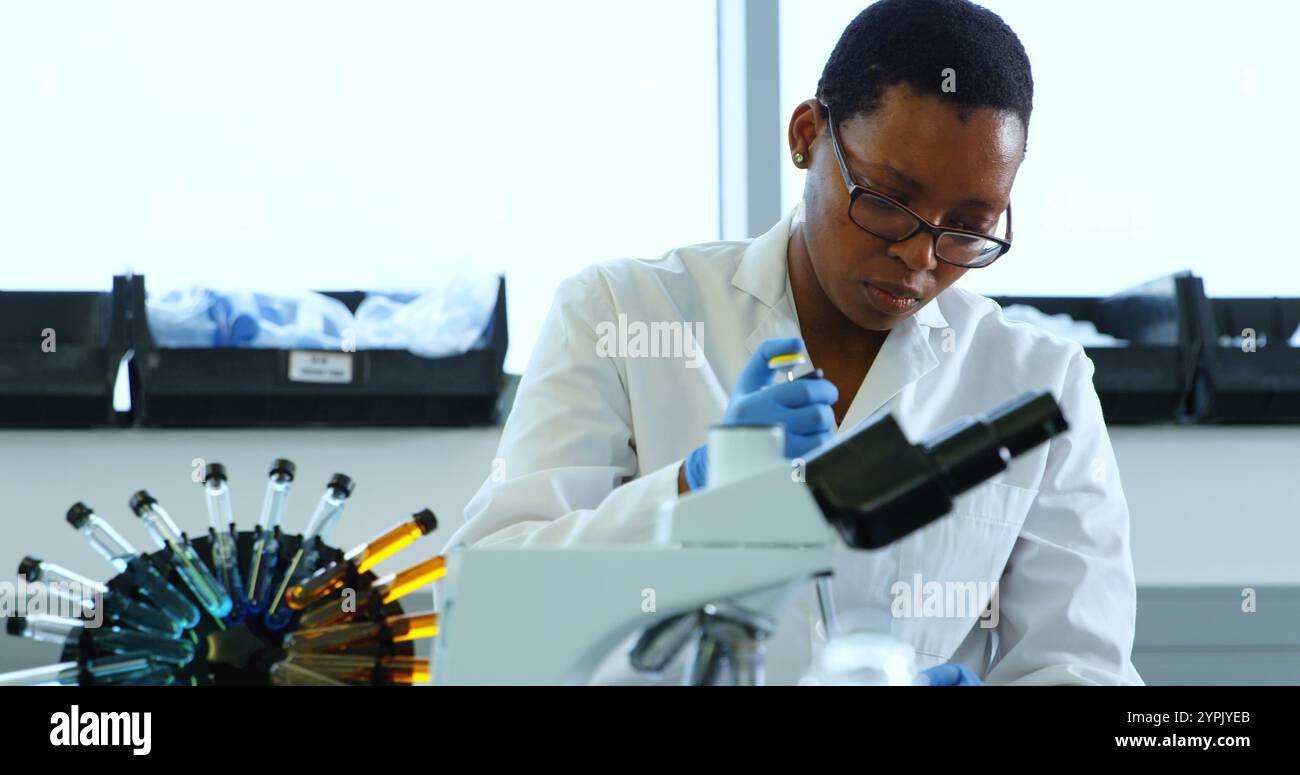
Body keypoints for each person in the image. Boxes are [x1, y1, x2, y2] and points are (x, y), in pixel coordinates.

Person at [445, 0, 1141, 686]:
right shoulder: (620, 314)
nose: (920, 256)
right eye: (888, 202)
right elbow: (485, 617)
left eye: (967, 225)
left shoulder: (1041, 382)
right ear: (807, 135)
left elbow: (1080, 666)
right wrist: (696, 484)